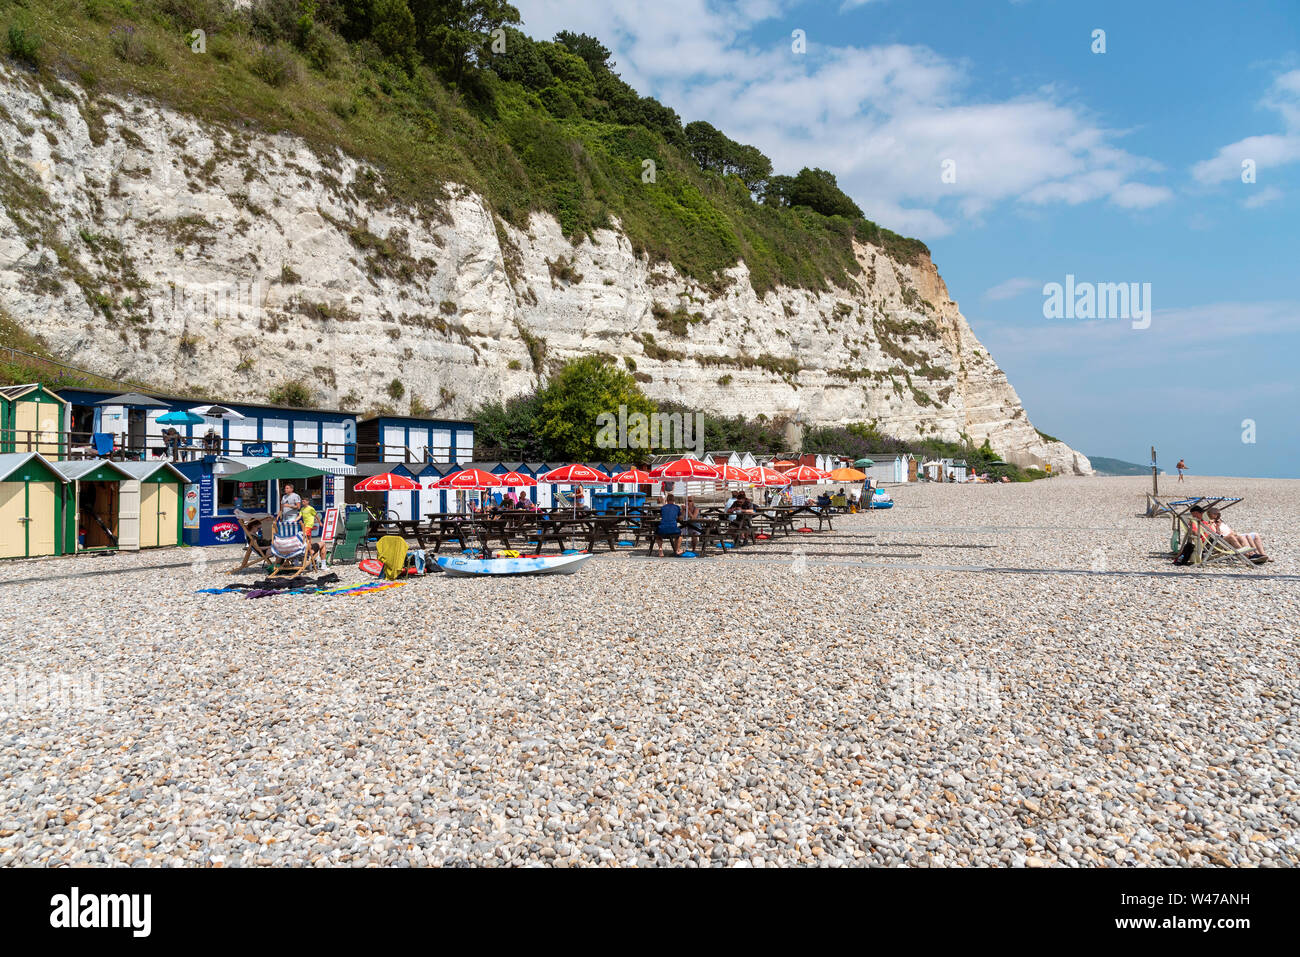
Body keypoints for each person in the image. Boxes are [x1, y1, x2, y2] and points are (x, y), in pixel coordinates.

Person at [1205, 508, 1269, 562]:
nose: (1217, 515)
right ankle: (1247, 556)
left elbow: (1230, 531)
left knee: (1240, 537)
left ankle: (1251, 554)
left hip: (1223, 538)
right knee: (1231, 537)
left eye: (1218, 514)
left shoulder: (1218, 521)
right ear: (1209, 514)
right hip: (1216, 541)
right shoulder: (1209, 523)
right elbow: (1215, 534)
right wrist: (1216, 525)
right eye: (1215, 514)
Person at [656, 493, 683, 557]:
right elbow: (680, 518)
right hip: (673, 529)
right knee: (680, 535)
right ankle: (677, 549)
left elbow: (663, 516)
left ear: (667, 500)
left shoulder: (663, 508)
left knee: (657, 534)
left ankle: (660, 548)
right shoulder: (677, 507)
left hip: (662, 529)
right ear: (674, 500)